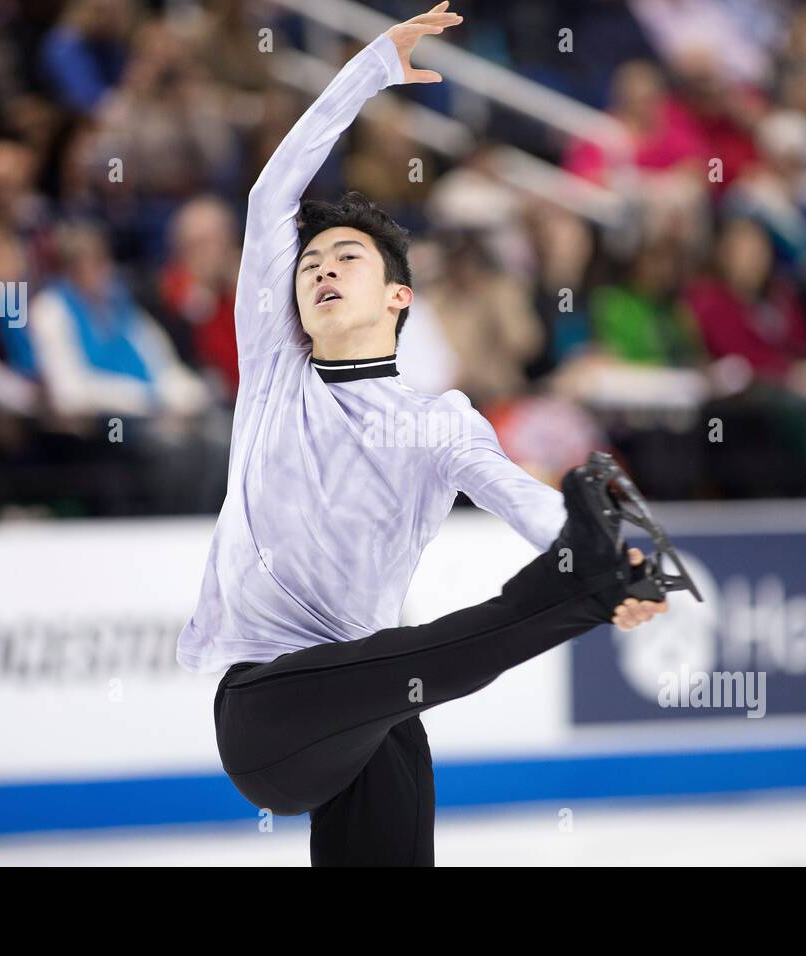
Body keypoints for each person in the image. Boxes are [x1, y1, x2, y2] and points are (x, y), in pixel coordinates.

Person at [176, 4, 669, 867]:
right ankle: (578, 591)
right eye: (311, 264)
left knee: (400, 715)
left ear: (399, 297)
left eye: (346, 260)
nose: (322, 269)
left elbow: (523, 496)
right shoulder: (274, 376)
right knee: (414, 663)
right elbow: (268, 197)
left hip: (365, 714)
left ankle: (591, 581)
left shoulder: (438, 421)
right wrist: (370, 67)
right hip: (265, 713)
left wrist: (609, 560)